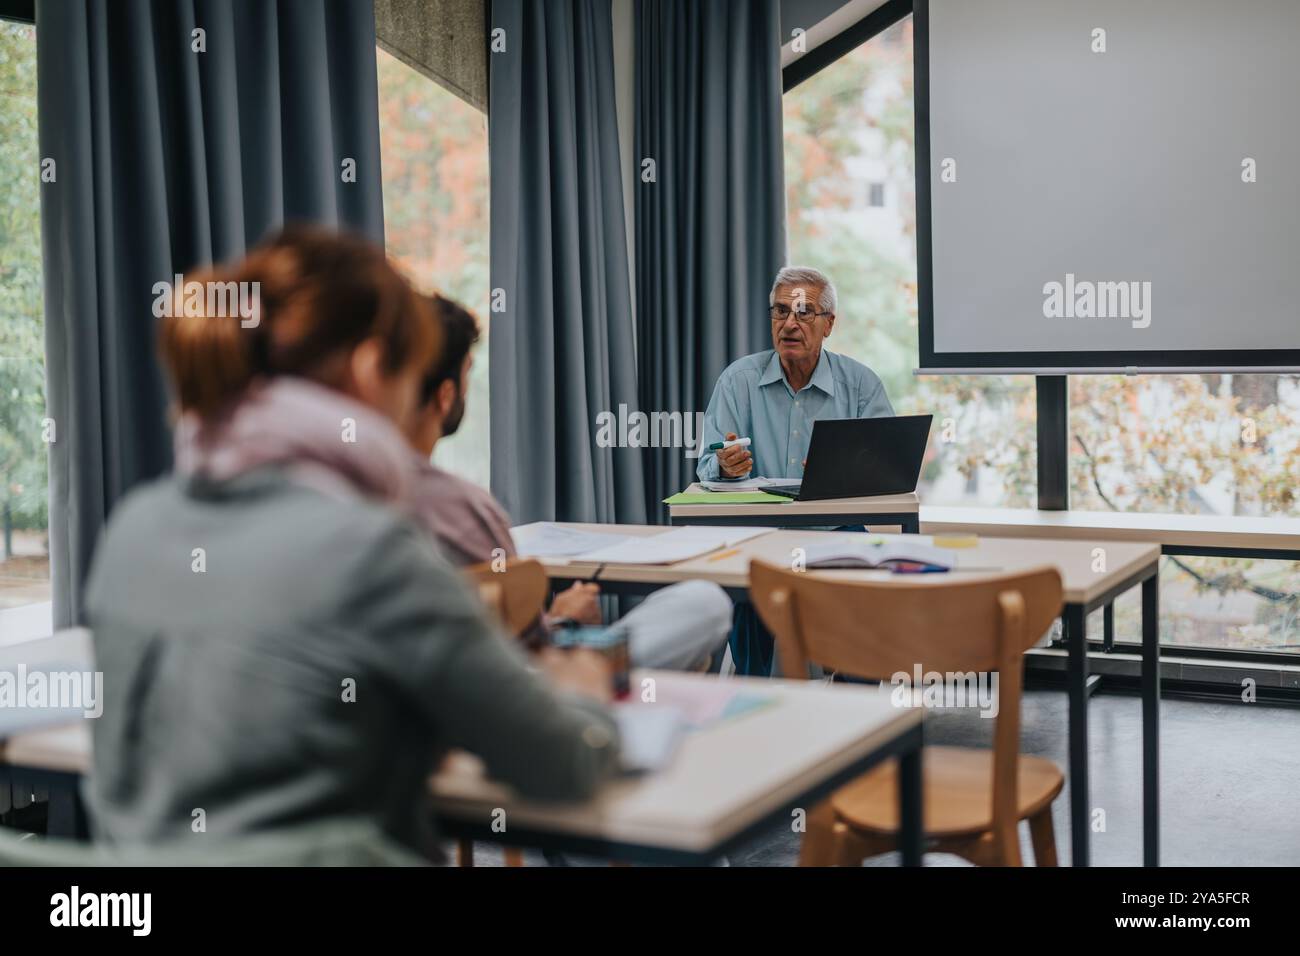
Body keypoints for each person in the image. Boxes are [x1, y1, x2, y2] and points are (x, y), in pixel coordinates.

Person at [83, 228, 620, 858]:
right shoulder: (370, 550)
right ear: (370, 371)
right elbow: (562, 763)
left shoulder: (134, 528)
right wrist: (585, 691)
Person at [406, 294, 733, 672]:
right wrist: (563, 617)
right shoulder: (462, 509)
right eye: (467, 372)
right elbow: (521, 645)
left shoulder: (345, 495)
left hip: (454, 684)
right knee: (706, 604)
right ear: (446, 395)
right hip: (536, 684)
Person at [697, 266, 895, 482]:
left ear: (828, 324)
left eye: (804, 313)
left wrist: (847, 471)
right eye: (781, 311)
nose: (790, 324)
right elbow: (707, 466)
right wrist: (726, 467)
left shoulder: (861, 387)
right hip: (759, 516)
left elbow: (886, 468)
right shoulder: (737, 381)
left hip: (832, 515)